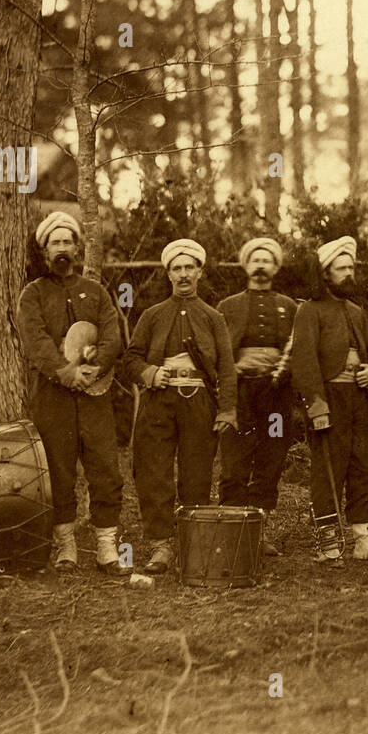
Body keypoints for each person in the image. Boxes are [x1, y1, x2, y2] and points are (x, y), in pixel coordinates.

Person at [16, 211, 128, 575]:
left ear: (78, 249)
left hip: (96, 395)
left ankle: (107, 547)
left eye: (68, 242)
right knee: (58, 470)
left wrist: (96, 368)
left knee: (105, 470)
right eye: (55, 243)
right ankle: (66, 546)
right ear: (44, 250)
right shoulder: (32, 295)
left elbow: (112, 335)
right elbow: (35, 341)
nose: (62, 249)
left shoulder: (96, 292)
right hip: (53, 397)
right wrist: (66, 373)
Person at [123, 238, 237, 575]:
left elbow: (227, 368)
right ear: (168, 274)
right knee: (154, 473)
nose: (184, 274)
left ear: (200, 272)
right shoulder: (152, 315)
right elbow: (130, 357)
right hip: (159, 401)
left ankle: (193, 542)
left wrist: (227, 409)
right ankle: (161, 545)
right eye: (177, 268)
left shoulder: (214, 318)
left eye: (190, 267)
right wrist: (149, 373)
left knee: (197, 473)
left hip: (200, 402)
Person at [291, 236, 368, 565]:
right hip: (330, 399)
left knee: (365, 467)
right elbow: (304, 361)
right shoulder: (309, 311)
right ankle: (329, 545)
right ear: (325, 273)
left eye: (351, 267)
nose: (348, 273)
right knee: (328, 472)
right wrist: (317, 406)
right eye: (341, 268)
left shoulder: (355, 311)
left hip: (359, 399)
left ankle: (364, 539)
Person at [218, 237, 298, 556]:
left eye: (267, 261)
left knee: (271, 457)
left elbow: (298, 350)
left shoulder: (289, 306)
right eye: (255, 260)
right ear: (246, 266)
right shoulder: (228, 306)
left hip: (276, 394)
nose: (261, 266)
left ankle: (257, 531)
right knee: (235, 459)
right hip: (240, 393)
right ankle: (231, 532)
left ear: (276, 268)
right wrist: (233, 371)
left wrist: (282, 371)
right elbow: (219, 352)